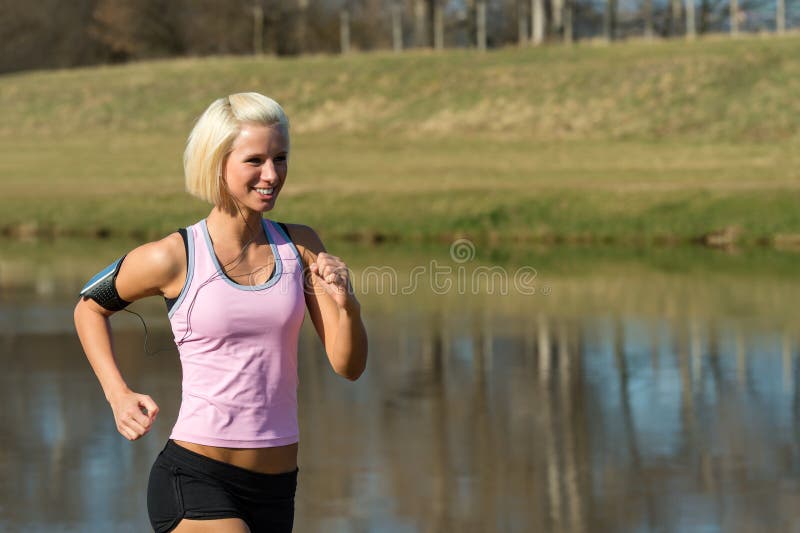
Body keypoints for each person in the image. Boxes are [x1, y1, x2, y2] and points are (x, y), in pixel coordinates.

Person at [74, 92, 368, 533]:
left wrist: (349, 305)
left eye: (280, 158)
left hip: (277, 490)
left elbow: (349, 366)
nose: (272, 175)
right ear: (218, 164)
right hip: (196, 476)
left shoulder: (301, 245)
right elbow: (88, 306)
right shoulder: (174, 256)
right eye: (255, 161)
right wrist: (118, 394)